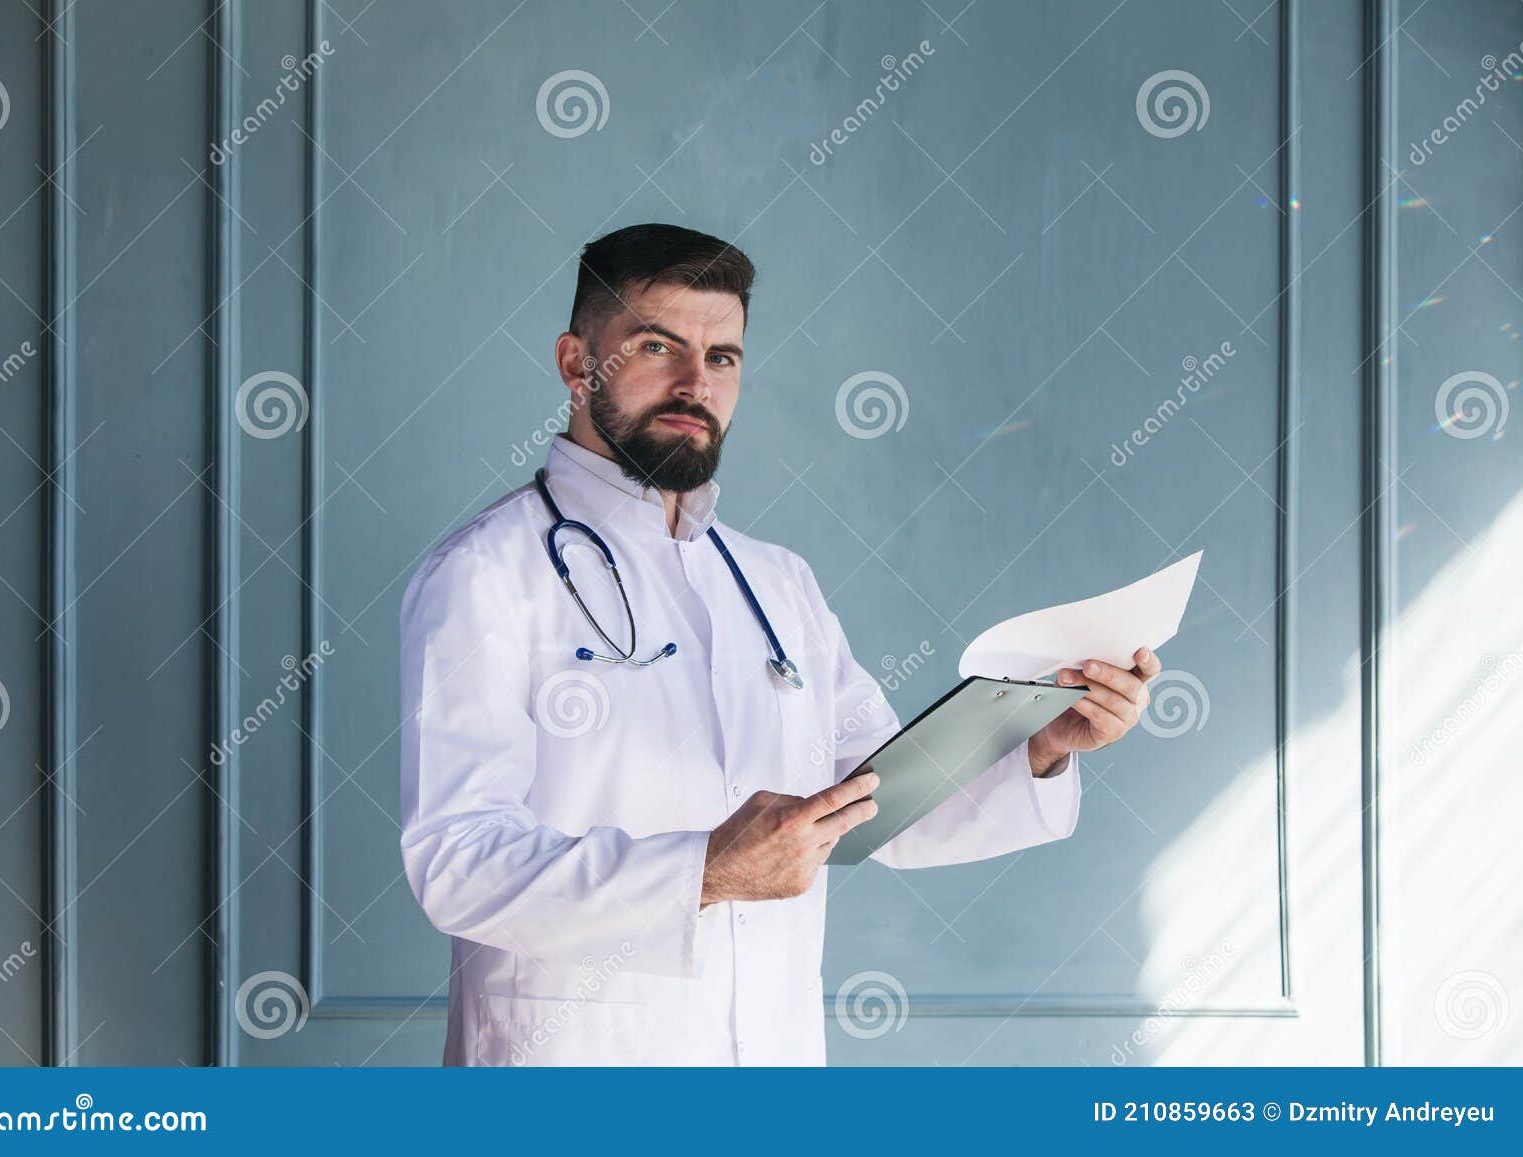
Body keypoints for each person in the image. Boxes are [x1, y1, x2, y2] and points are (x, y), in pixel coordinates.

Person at [398, 222, 1160, 1066]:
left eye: (723, 357)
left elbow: (879, 803)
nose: (697, 382)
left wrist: (1043, 744)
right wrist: (705, 872)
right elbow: (457, 860)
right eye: (659, 345)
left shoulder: (776, 582)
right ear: (579, 364)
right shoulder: (484, 572)